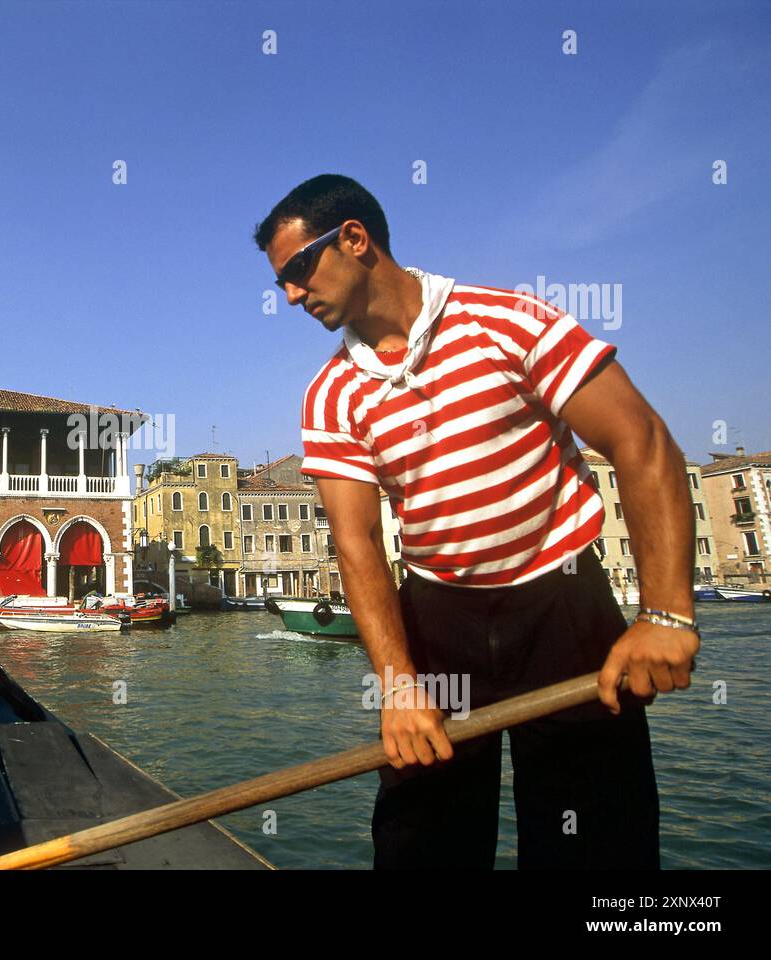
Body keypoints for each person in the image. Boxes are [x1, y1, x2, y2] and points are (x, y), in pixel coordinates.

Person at [255, 174, 698, 869]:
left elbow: (640, 441)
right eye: (281, 281)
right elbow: (358, 542)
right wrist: (398, 685)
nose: (288, 295)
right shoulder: (331, 395)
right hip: (437, 626)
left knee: (597, 847)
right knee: (421, 847)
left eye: (297, 269)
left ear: (353, 239)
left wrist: (667, 614)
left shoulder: (508, 322)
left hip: (565, 613)